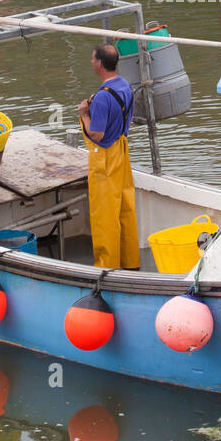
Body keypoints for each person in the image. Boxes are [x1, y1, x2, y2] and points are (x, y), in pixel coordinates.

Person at [78, 43, 140, 271]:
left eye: (93, 59)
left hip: (104, 156)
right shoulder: (125, 86)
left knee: (105, 214)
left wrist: (84, 115)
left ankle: (107, 266)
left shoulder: (103, 97)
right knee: (125, 207)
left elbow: (96, 133)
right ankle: (130, 261)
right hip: (121, 150)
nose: (91, 62)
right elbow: (128, 121)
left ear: (100, 64)